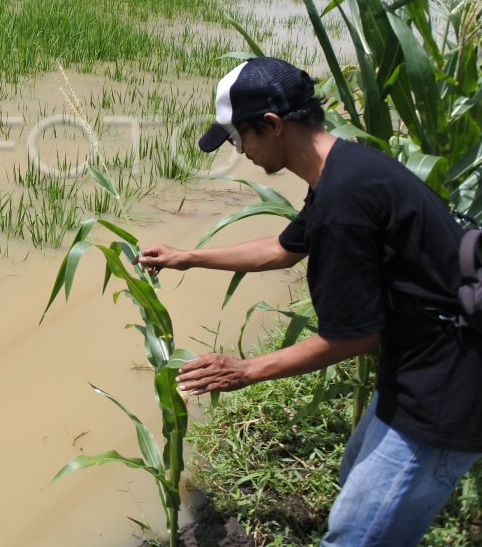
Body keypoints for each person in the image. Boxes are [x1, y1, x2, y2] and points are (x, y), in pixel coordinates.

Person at [135, 56, 481, 547]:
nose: (240, 151)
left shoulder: (344, 200)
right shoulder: (344, 167)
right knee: (353, 475)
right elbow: (282, 248)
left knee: (357, 537)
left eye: (238, 139)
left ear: (271, 125)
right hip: (421, 358)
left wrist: (246, 370)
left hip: (448, 386)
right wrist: (187, 256)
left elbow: (354, 336)